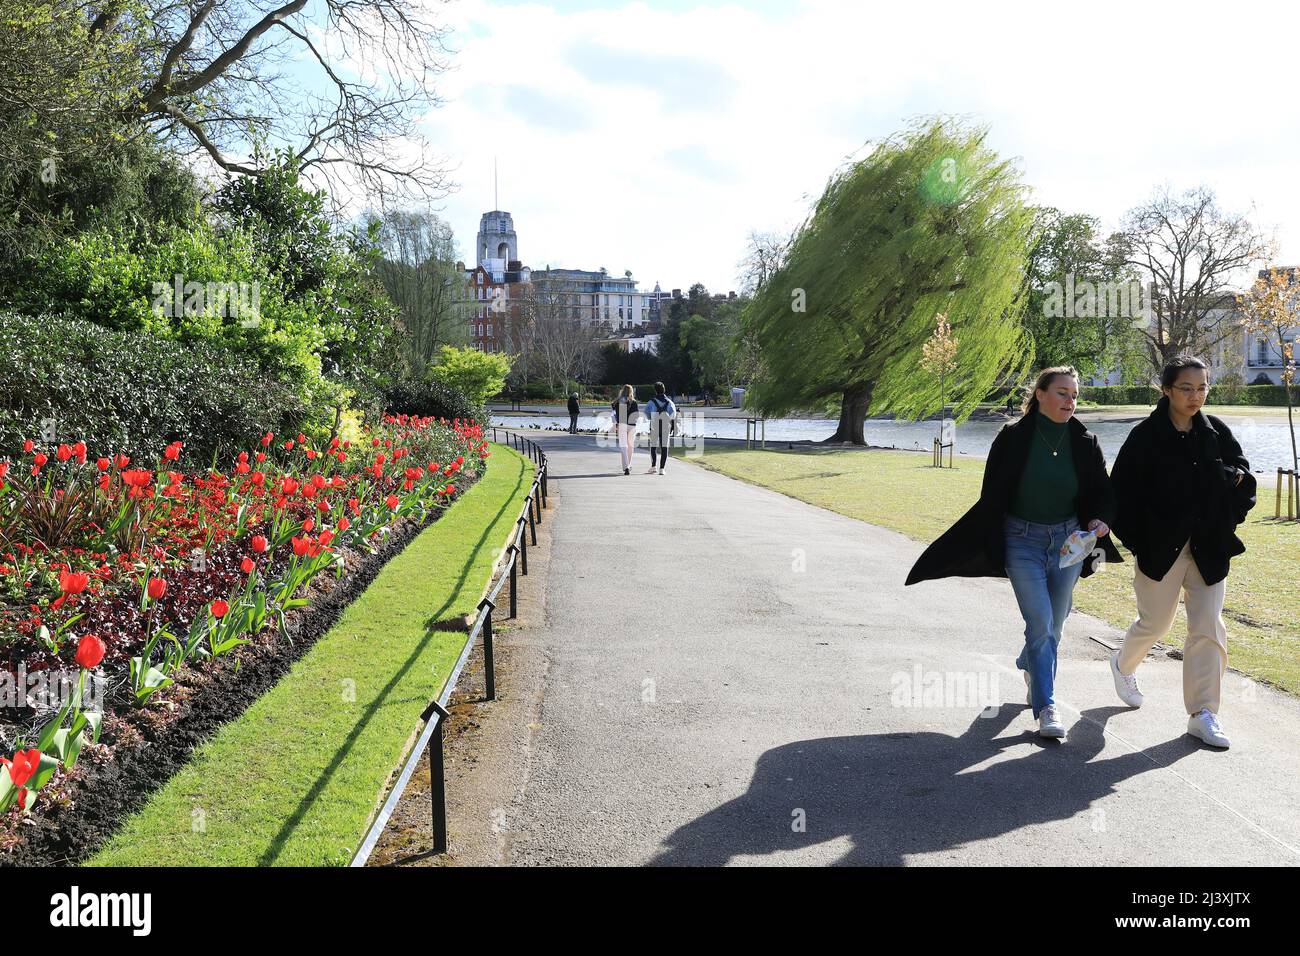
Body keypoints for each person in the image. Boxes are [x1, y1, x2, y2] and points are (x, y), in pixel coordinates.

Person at [905, 366, 1122, 739]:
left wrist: (1101, 522)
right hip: (1022, 541)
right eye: (1061, 393)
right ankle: (1047, 707)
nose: (1070, 401)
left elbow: (1102, 492)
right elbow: (992, 495)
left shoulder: (1085, 440)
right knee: (1041, 623)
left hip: (1069, 544)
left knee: (1054, 624)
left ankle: (1029, 663)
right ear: (1040, 394)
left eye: (1073, 395)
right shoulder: (1013, 437)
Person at [1107, 355, 1255, 749]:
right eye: (1186, 388)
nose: (1195, 396)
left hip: (1209, 547)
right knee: (1155, 625)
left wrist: (1228, 515)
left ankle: (1203, 713)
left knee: (1208, 626)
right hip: (1160, 550)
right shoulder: (1144, 436)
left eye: (1202, 388)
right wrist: (1142, 540)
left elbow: (1244, 477)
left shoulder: (1217, 432)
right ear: (1167, 390)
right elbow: (1119, 493)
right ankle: (1123, 663)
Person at [642, 382, 677, 474]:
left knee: (653, 446)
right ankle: (662, 468)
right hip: (666, 425)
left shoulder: (651, 402)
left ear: (655, 390)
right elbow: (673, 415)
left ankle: (653, 466)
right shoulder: (670, 402)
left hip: (654, 425)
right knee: (664, 447)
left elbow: (646, 415)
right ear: (664, 390)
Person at [610, 384, 639, 475]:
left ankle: (626, 466)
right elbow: (637, 415)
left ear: (622, 391)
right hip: (632, 425)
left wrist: (615, 424)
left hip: (622, 424)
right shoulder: (633, 402)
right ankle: (628, 465)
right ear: (631, 392)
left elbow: (613, 414)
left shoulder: (617, 402)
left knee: (623, 446)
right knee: (630, 446)